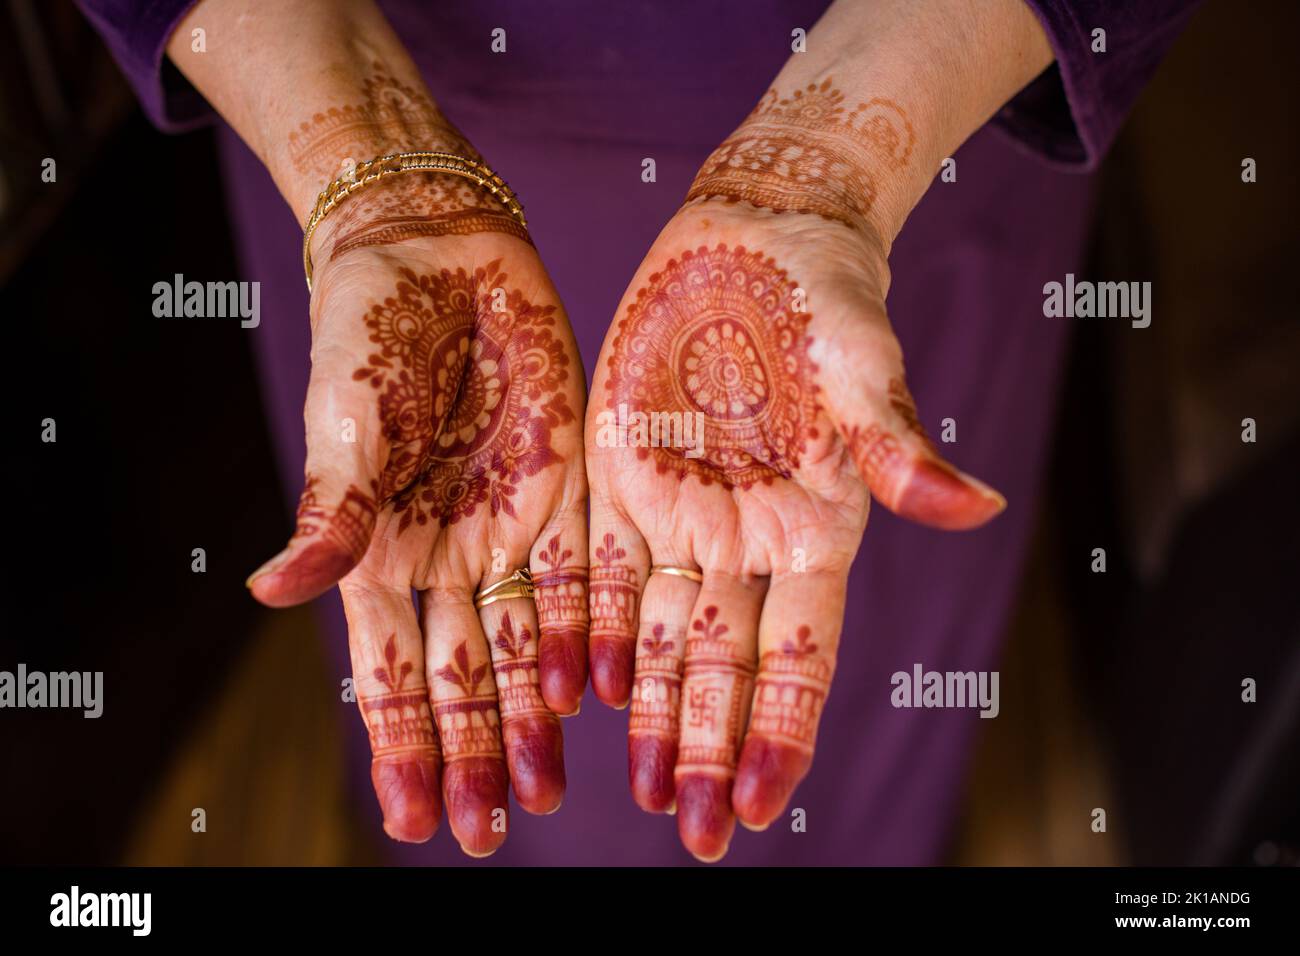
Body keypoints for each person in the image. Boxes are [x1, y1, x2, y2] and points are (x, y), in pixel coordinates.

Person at [78, 0, 1201, 863]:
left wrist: (826, 172)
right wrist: (364, 176)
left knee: (834, 676)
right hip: (333, 90)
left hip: (929, 100)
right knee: (448, 657)